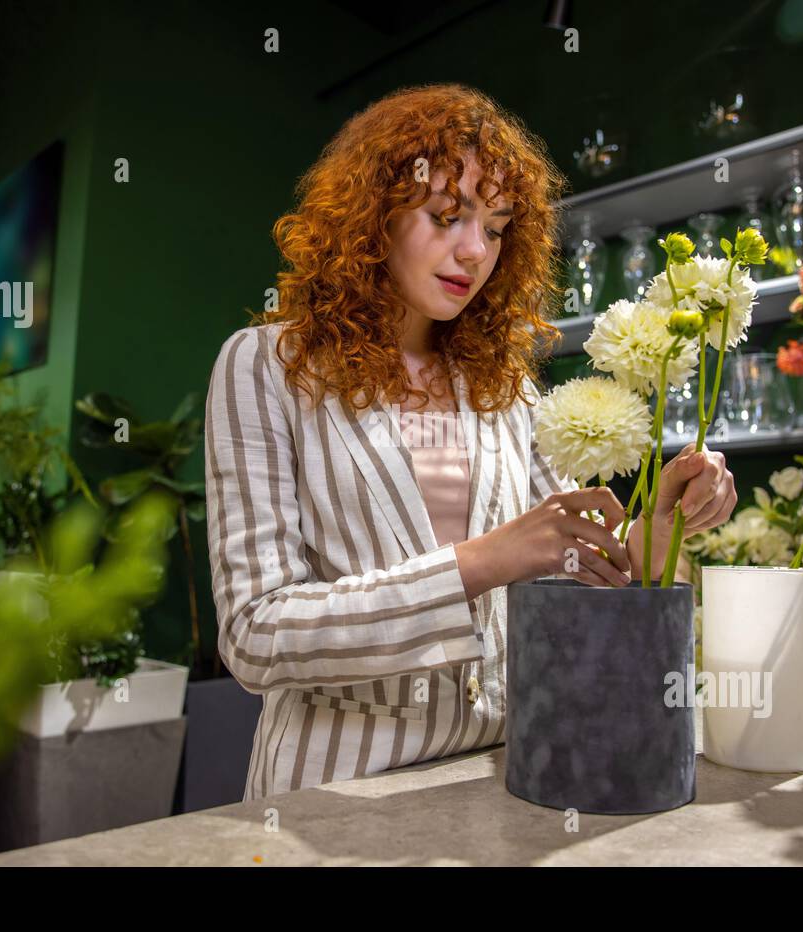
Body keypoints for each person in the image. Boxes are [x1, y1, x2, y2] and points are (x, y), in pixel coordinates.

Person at [204, 83, 737, 801]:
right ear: (374, 214)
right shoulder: (267, 366)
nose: (474, 251)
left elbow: (567, 568)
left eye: (495, 226)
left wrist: (660, 533)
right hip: (329, 793)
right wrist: (482, 560)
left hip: (504, 776)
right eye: (447, 216)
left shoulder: (506, 389)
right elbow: (255, 633)